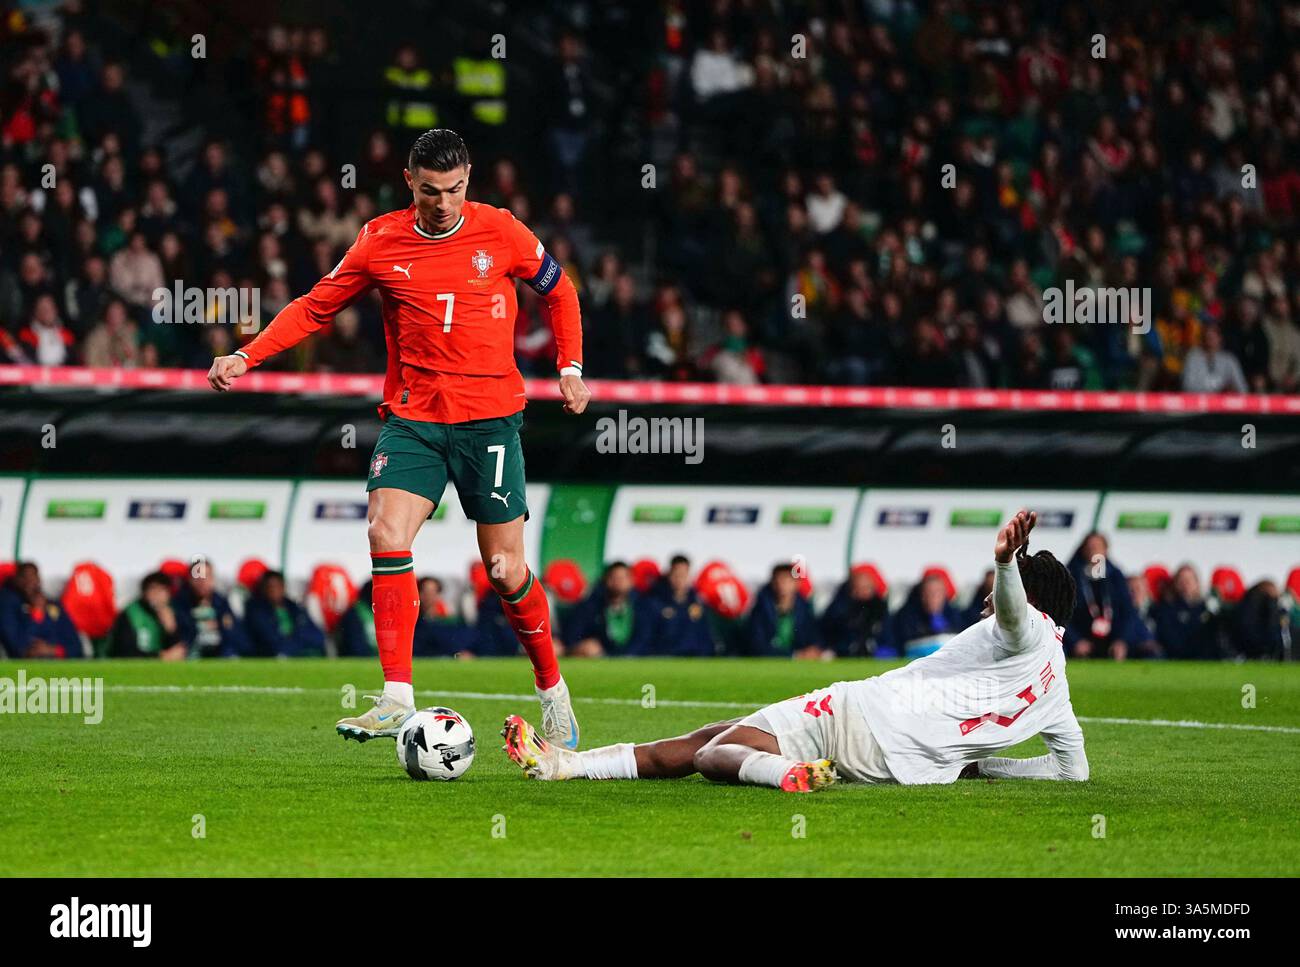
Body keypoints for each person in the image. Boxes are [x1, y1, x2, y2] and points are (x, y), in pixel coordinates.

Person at [207, 129, 589, 748]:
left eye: (457, 189)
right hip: (414, 419)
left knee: (503, 566)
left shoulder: (501, 230)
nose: (445, 203)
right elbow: (314, 306)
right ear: (410, 182)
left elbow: (560, 291)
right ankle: (395, 697)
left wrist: (570, 369)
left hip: (489, 419)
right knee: (384, 531)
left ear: (470, 180)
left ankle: (552, 690)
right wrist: (248, 356)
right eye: (433, 191)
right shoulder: (379, 240)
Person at [502, 511, 1089, 793]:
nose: (987, 598)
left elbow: (1014, 615)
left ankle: (786, 774)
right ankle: (568, 764)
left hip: (863, 716)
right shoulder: (1057, 690)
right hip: (905, 770)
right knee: (717, 731)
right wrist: (985, 764)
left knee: (715, 755)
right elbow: (1071, 771)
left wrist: (1006, 562)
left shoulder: (1027, 624)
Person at [0, 562, 82, 659]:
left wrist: (53, 651)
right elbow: (18, 648)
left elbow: (76, 647)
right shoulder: (9, 606)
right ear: (16, 580)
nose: (30, 583)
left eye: (34, 577)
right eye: (24, 578)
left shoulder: (53, 607)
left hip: (60, 667)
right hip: (24, 669)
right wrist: (37, 614)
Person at [243, 571, 326, 657]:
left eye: (277, 586)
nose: (274, 590)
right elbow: (271, 640)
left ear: (283, 587)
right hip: (272, 656)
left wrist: (294, 642)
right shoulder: (256, 610)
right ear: (263, 589)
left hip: (297, 652)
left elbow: (318, 635)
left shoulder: (294, 608)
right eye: (270, 587)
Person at [747, 563, 823, 658]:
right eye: (778, 581)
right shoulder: (761, 609)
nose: (781, 586)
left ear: (796, 583)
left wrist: (813, 650)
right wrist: (793, 655)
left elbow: (814, 637)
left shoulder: (804, 609)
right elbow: (757, 645)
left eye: (787, 581)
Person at [108, 571, 188, 659]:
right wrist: (159, 657)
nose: (157, 594)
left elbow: (179, 651)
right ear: (144, 592)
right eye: (153, 589)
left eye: (162, 590)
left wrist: (171, 630)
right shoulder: (130, 614)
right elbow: (124, 651)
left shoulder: (173, 612)